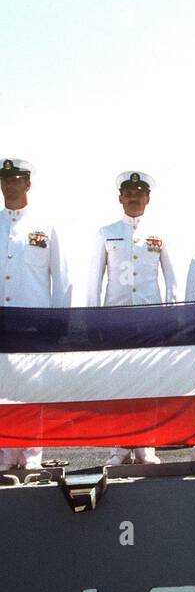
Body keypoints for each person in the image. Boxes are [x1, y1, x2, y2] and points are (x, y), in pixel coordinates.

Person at [88, 170, 178, 465]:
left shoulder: (160, 234)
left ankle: (146, 446)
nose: (134, 197)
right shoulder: (106, 231)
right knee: (118, 383)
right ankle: (119, 447)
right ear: (120, 198)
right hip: (116, 318)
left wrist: (172, 317)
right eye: (128, 193)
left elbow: (172, 279)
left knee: (149, 382)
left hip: (150, 318)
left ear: (147, 198)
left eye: (139, 193)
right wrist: (93, 320)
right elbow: (95, 279)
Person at [0, 158, 71, 474]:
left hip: (34, 320)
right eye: (5, 179)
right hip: (2, 319)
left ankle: (31, 451)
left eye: (16, 179)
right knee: (2, 390)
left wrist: (59, 324)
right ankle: (5, 451)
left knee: (30, 389)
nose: (10, 185)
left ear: (28, 184)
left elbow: (62, 277)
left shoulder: (46, 226)